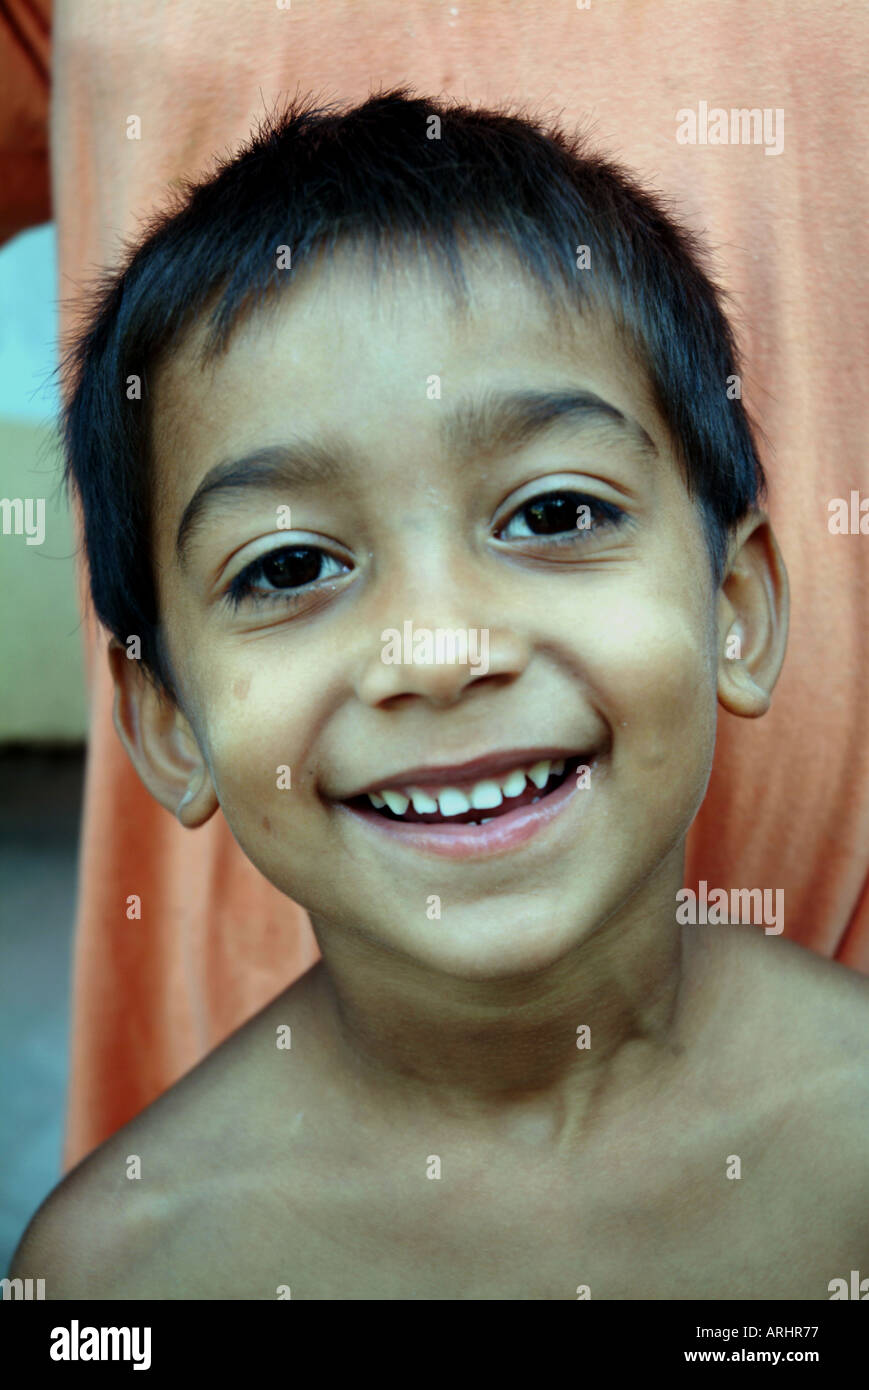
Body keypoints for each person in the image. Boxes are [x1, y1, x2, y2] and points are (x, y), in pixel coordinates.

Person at [8, 87, 869, 1300]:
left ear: (733, 607)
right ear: (166, 724)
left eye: (554, 513)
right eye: (290, 565)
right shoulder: (127, 1272)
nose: (438, 647)